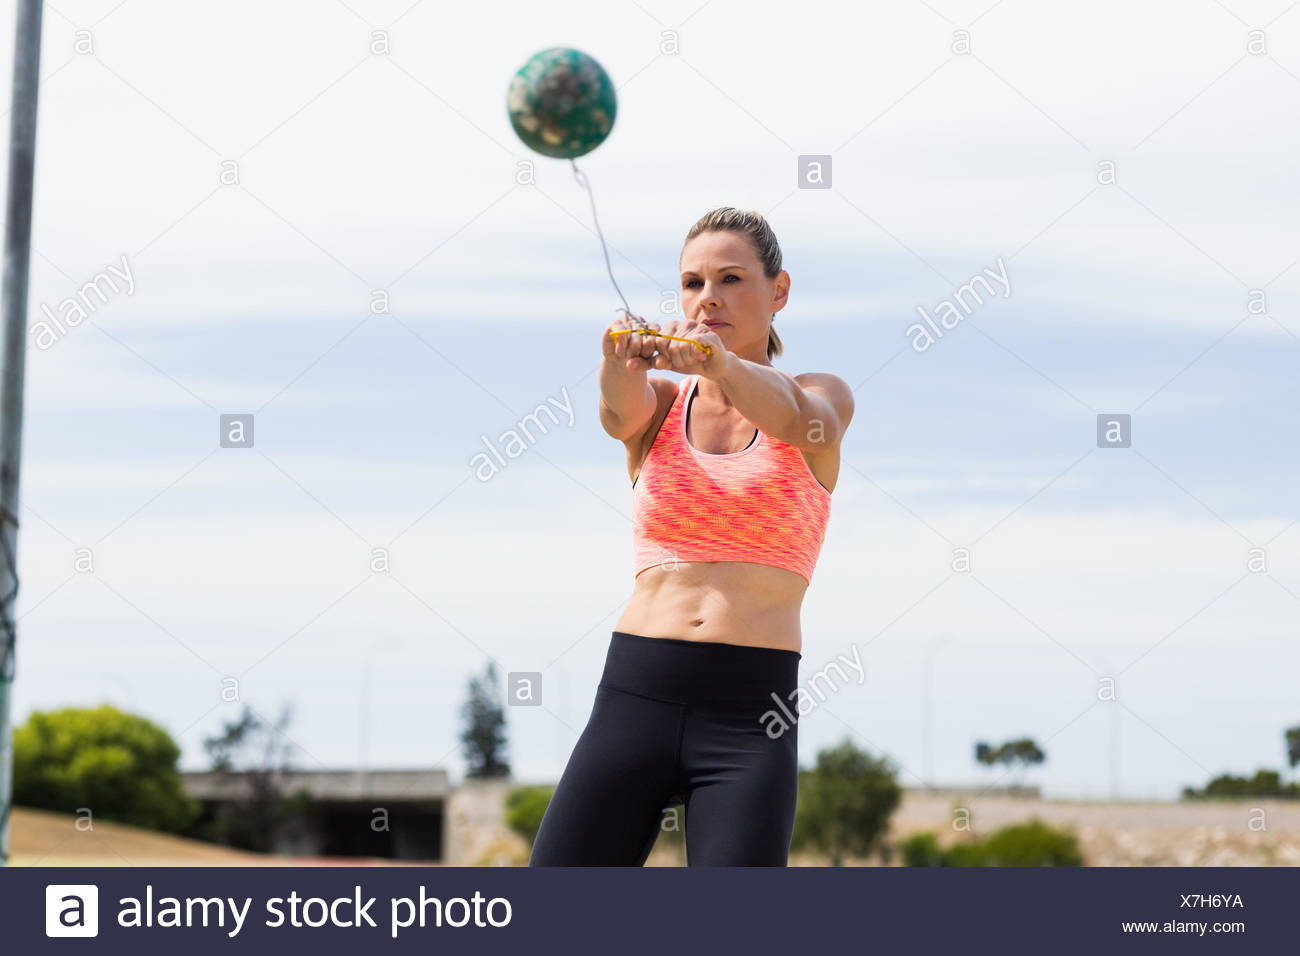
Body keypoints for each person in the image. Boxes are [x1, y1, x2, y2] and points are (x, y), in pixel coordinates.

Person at [528, 207, 854, 866]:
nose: (709, 298)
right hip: (634, 693)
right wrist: (617, 356)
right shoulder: (665, 409)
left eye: (731, 279)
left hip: (749, 713)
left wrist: (723, 366)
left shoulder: (821, 393)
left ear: (779, 292)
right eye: (692, 283)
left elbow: (800, 419)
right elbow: (619, 408)